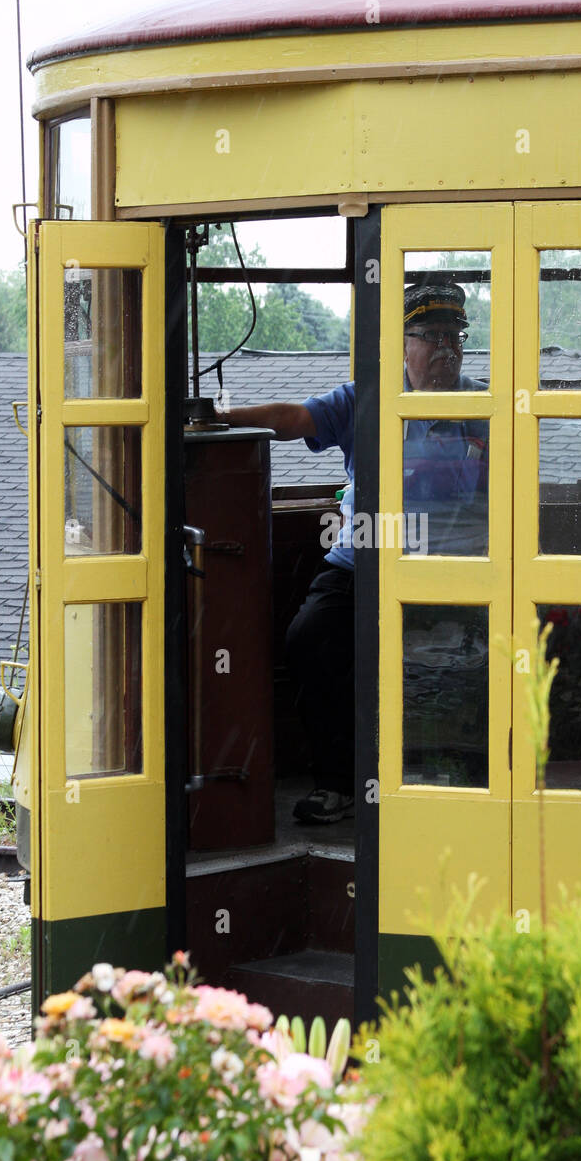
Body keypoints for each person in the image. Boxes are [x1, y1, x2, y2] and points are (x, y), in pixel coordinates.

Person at [217, 281, 488, 824]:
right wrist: (215, 419)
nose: (446, 349)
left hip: (460, 572)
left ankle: (464, 784)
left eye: (454, 335)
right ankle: (339, 784)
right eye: (430, 335)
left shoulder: (485, 407)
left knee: (476, 660)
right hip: (362, 563)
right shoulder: (366, 397)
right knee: (310, 637)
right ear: (401, 345)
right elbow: (294, 419)